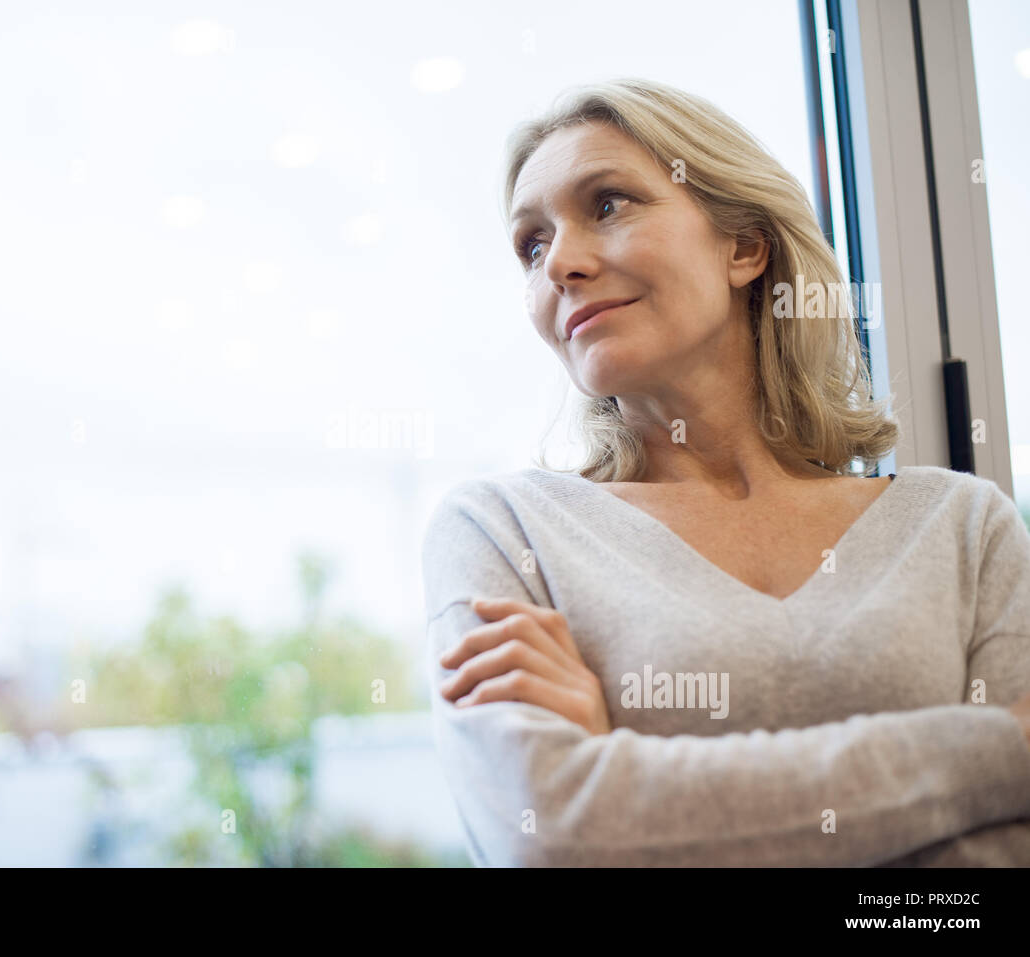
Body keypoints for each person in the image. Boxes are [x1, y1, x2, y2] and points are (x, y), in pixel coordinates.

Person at [421, 77, 1030, 866]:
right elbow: (560, 831)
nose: (559, 264)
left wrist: (633, 788)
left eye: (607, 204)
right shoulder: (502, 531)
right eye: (531, 245)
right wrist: (1001, 750)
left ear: (744, 246)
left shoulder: (963, 524)